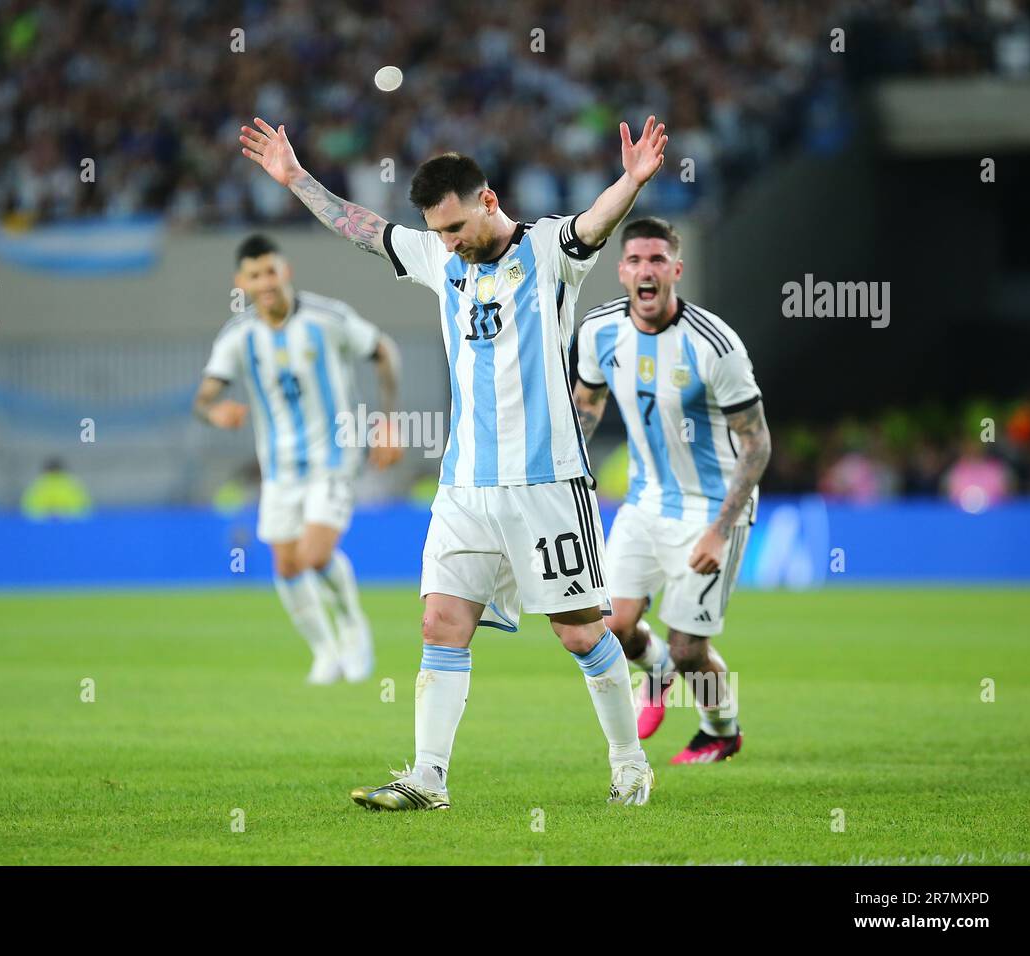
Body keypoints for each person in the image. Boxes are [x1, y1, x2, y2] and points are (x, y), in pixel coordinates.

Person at [240, 113, 668, 809]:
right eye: (438, 232)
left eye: (457, 228)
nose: (450, 244)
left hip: (547, 482)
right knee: (441, 623)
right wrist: (294, 178)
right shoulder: (441, 257)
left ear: (489, 201)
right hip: (465, 485)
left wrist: (631, 180)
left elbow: (594, 222)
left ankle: (628, 764)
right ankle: (428, 777)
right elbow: (363, 229)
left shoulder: (549, 250)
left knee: (580, 631)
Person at [574, 217, 772, 764]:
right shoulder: (598, 330)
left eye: (657, 260)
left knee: (690, 649)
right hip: (644, 500)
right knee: (610, 624)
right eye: (636, 260)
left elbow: (756, 445)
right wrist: (566, 466)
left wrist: (719, 531)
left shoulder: (715, 345)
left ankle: (720, 730)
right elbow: (587, 403)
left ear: (676, 270)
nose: (646, 270)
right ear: (621, 271)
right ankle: (654, 668)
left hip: (710, 509)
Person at [194, 234, 403, 684]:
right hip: (279, 469)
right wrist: (216, 413)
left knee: (313, 553)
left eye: (270, 271)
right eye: (254, 275)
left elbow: (384, 351)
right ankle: (325, 650)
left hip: (335, 457)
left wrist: (389, 422)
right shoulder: (238, 336)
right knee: (286, 565)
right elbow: (204, 397)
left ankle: (352, 628)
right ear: (241, 282)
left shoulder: (327, 318)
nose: (265, 282)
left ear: (284, 270)